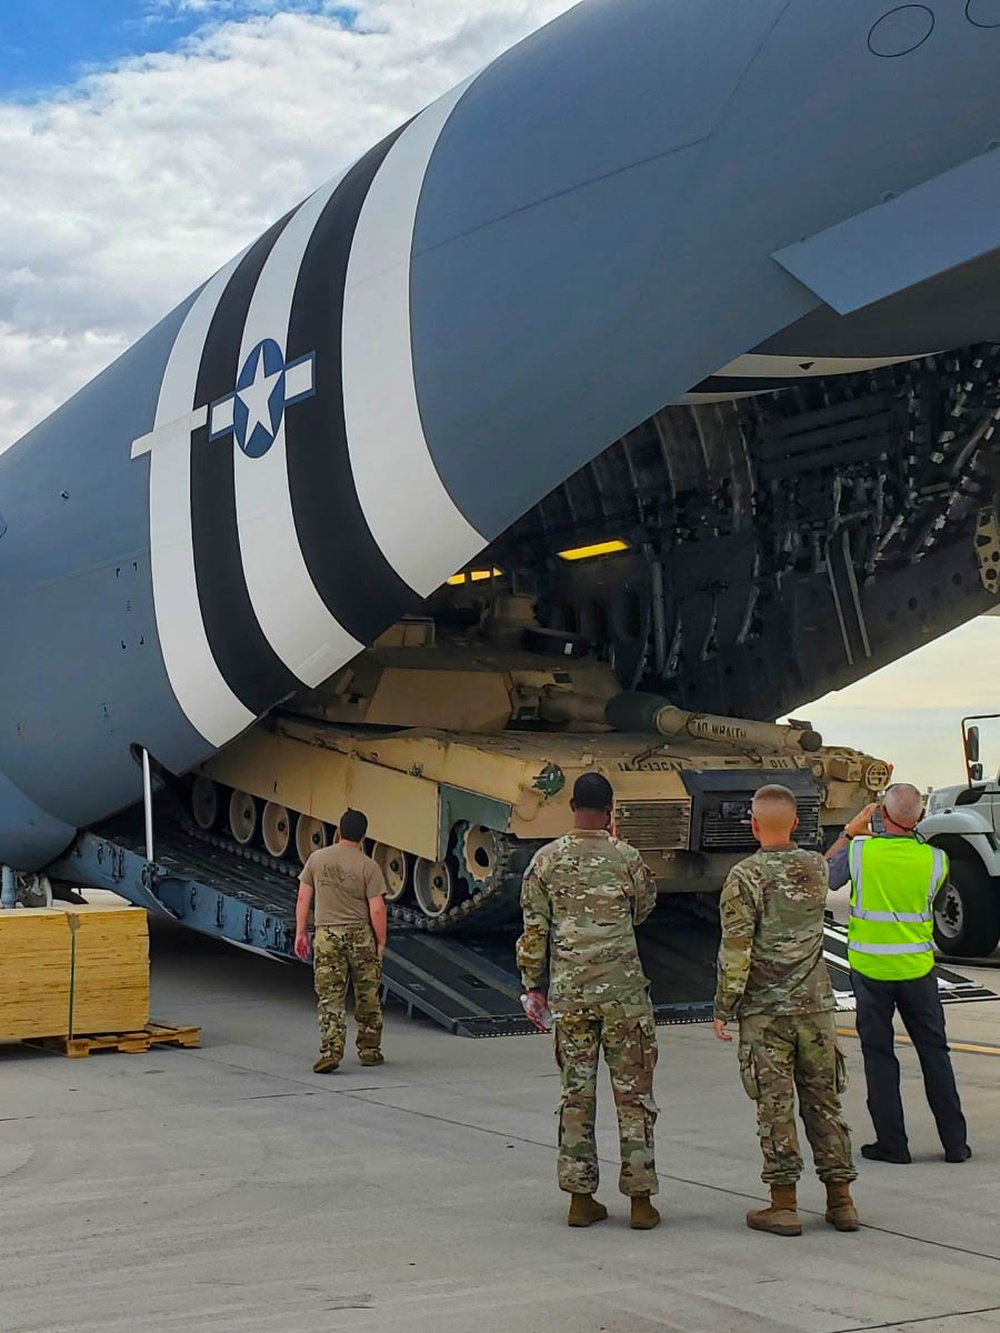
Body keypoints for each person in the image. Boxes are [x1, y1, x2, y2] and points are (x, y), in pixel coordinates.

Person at [516, 771, 660, 1230]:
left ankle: (581, 1199)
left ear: (572, 805)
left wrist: (532, 984)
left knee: (576, 1094)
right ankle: (640, 1202)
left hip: (571, 994)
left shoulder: (546, 859)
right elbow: (643, 909)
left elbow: (534, 929)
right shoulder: (627, 858)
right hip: (623, 996)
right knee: (633, 1096)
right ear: (611, 810)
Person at [715, 784, 858, 1238]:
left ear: (753, 825)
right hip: (816, 1007)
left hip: (765, 1012)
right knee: (825, 1103)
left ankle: (784, 1204)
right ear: (796, 823)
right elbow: (830, 857)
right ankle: (842, 1201)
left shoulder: (744, 875)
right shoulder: (815, 867)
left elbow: (736, 948)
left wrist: (724, 1005)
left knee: (775, 1108)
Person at [826, 784, 970, 1165]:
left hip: (871, 969)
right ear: (919, 818)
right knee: (935, 1054)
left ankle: (893, 1144)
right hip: (917, 969)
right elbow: (936, 905)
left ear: (880, 816)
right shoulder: (937, 860)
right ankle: (956, 1144)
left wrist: (849, 832)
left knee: (880, 1056)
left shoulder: (860, 851)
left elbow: (823, 876)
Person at [295, 808, 388, 1073]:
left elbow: (303, 898)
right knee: (367, 993)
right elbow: (377, 909)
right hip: (360, 935)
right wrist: (380, 941)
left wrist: (301, 932)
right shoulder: (368, 866)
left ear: (338, 830)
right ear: (364, 835)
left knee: (330, 996)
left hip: (327, 935)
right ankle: (369, 1049)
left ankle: (331, 1049)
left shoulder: (317, 859)